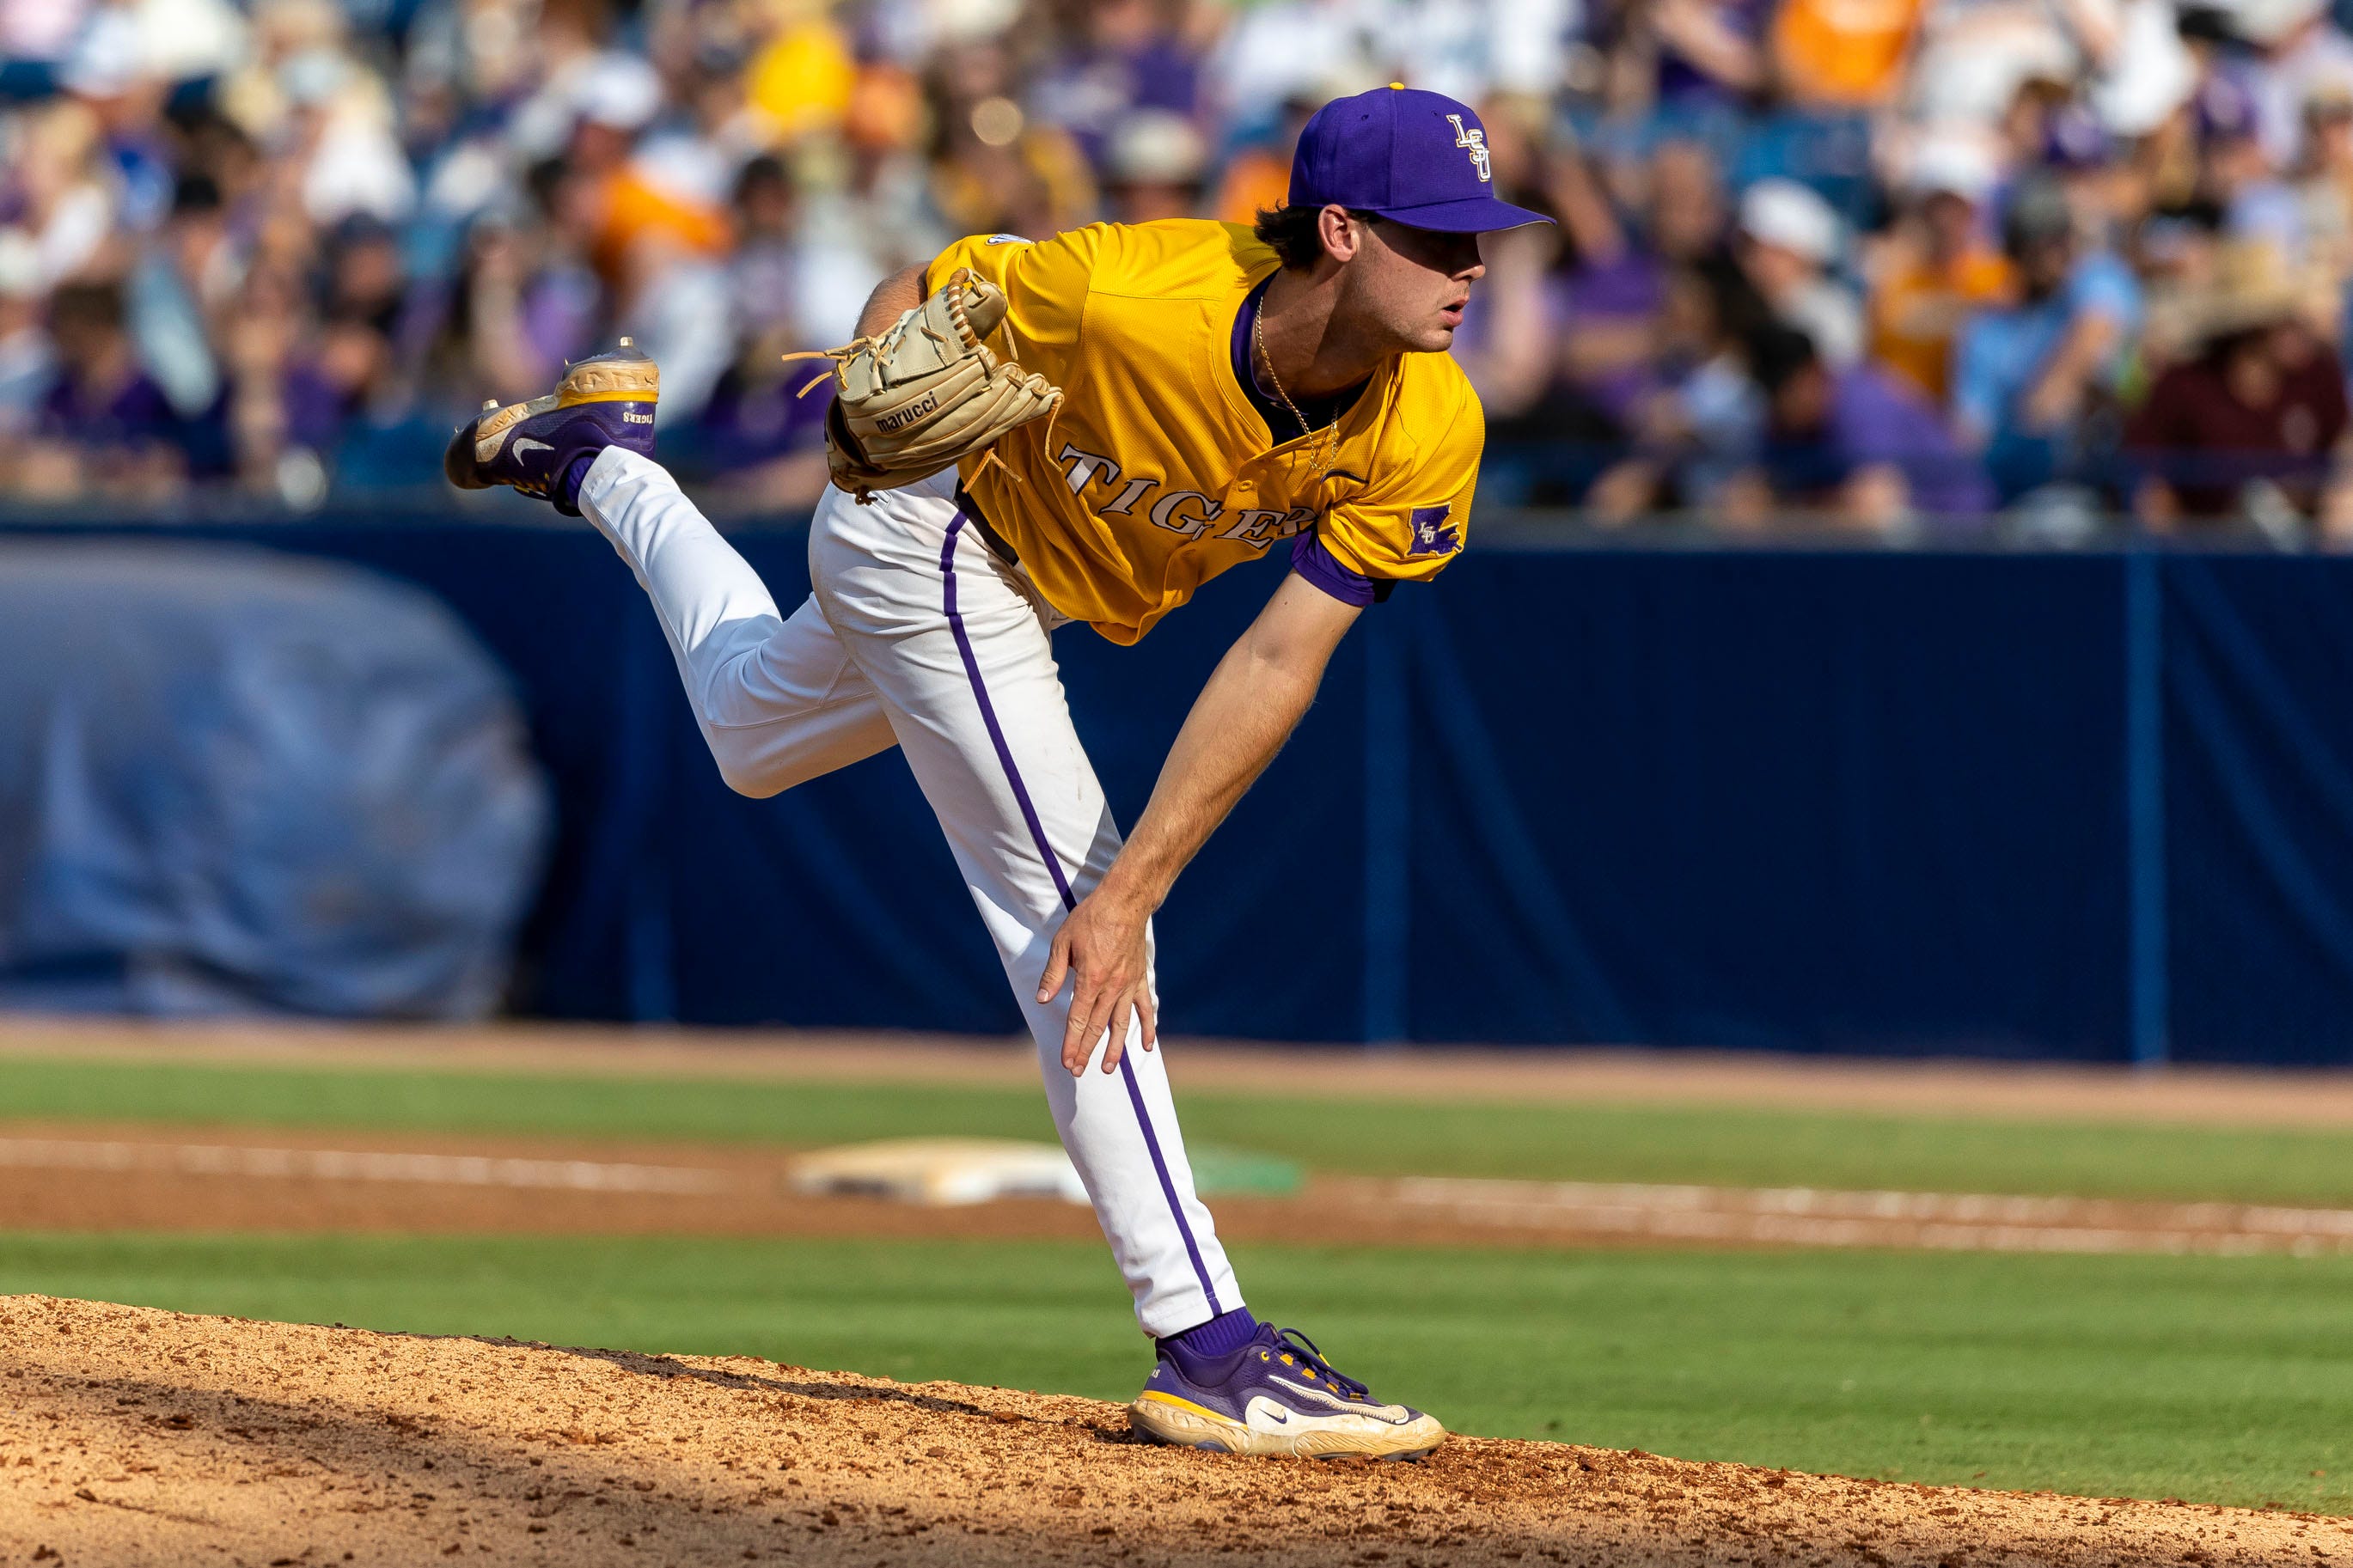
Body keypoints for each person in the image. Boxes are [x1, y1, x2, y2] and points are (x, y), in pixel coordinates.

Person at [445, 83, 1546, 1461]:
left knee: (746, 736)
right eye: (1437, 236)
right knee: (1074, 922)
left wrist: (1146, 881)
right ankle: (1207, 1341)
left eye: (1476, 235)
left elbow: (1278, 659)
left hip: (1034, 587)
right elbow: (923, 286)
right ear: (1338, 230)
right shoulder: (1129, 292)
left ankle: (601, 465)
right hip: (933, 526)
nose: (1470, 265)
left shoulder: (1430, 425)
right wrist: (869, 379)